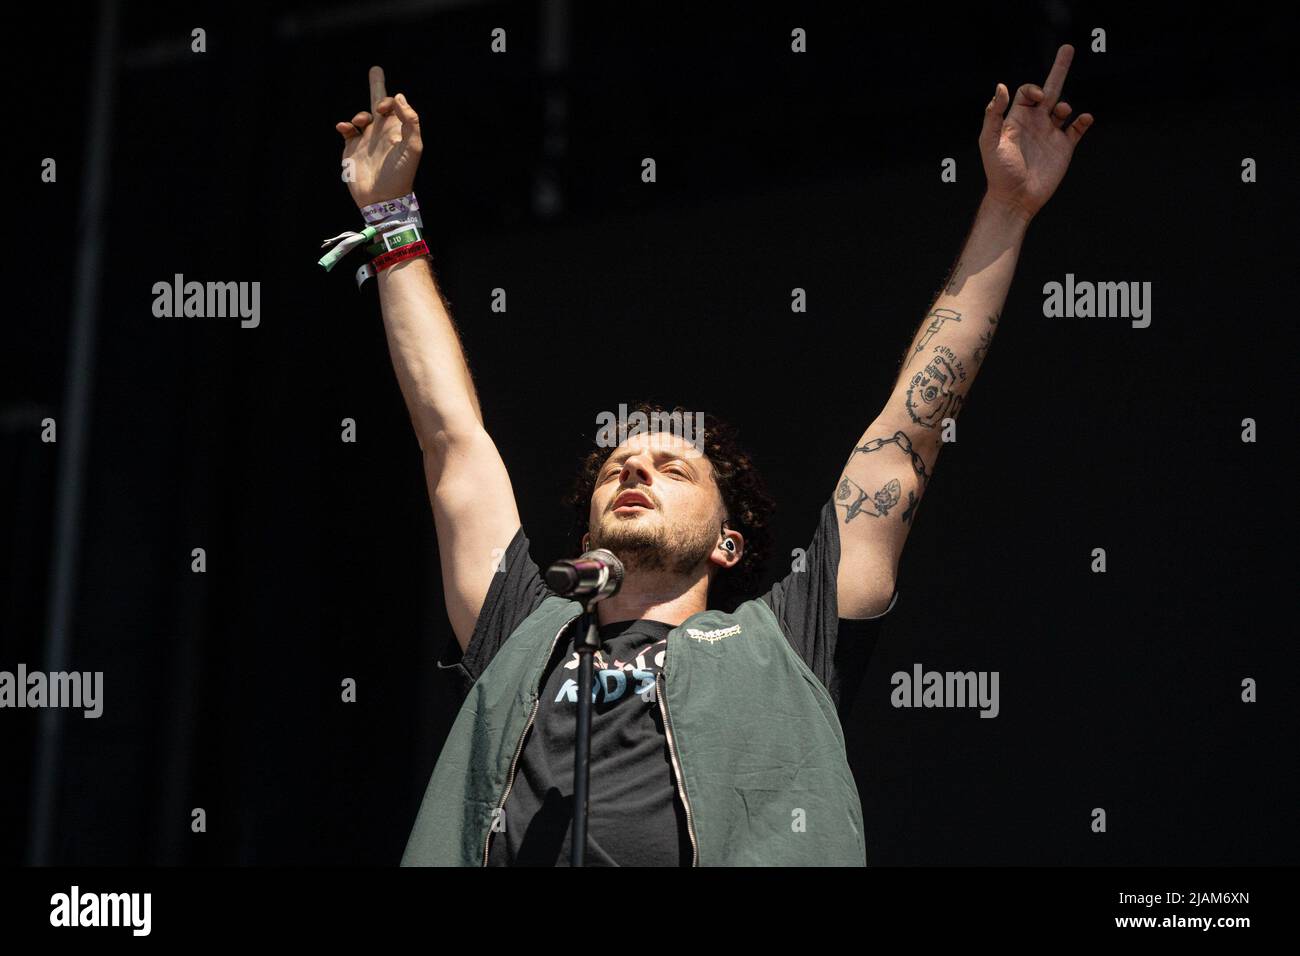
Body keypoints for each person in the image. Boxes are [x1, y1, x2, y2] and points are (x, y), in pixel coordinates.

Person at [330, 48, 1093, 866]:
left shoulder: (792, 637)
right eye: (619, 466)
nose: (634, 471)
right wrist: (390, 217)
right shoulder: (523, 622)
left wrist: (1007, 209)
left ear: (729, 544)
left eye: (673, 469)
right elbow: (450, 440)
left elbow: (909, 434)